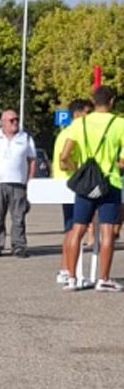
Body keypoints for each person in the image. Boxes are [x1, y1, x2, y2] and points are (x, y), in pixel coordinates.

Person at [59, 83, 124, 291]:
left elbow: (64, 156)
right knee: (107, 232)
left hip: (86, 183)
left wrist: (77, 169)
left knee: (77, 229)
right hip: (109, 182)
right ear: (112, 101)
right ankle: (103, 279)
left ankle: (71, 277)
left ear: (94, 102)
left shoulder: (80, 124)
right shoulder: (119, 124)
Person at [0, 107, 35, 257]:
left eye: (16, 119)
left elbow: (32, 160)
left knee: (18, 217)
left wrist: (30, 181)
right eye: (11, 120)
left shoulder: (25, 137)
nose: (15, 122)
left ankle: (19, 245)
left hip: (18, 183)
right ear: (3, 122)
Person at [53, 99, 92, 287]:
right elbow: (63, 160)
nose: (90, 116)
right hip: (72, 184)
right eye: (88, 112)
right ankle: (69, 271)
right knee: (75, 230)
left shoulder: (65, 131)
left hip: (63, 184)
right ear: (78, 114)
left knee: (70, 228)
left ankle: (65, 269)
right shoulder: (76, 132)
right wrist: (79, 171)